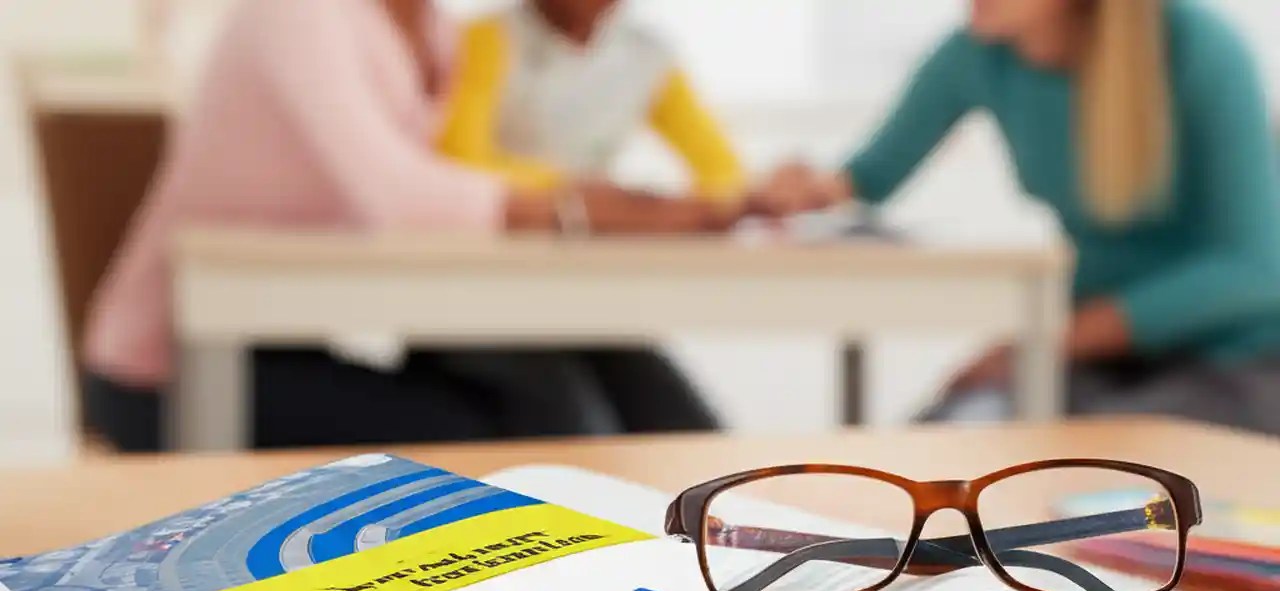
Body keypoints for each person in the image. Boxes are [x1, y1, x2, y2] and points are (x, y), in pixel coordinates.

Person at [83, 0, 755, 452]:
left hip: (302, 339)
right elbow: (400, 197)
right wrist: (596, 206)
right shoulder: (299, 14)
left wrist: (670, 205)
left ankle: (739, 552)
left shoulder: (438, 31)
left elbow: (467, 177)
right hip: (181, 371)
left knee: (639, 384)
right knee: (542, 426)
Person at [765, 0, 1280, 434]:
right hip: (1091, 355)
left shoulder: (1198, 47)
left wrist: (1045, 343)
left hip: (1233, 358)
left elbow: (1254, 270)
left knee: (1095, 460)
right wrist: (794, 191)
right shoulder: (981, 51)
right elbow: (867, 177)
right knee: (946, 436)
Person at [437, 0, 745, 199]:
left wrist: (670, 211)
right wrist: (576, 193)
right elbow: (461, 163)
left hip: (595, 242)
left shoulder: (645, 55)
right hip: (502, 235)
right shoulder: (484, 39)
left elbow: (723, 170)